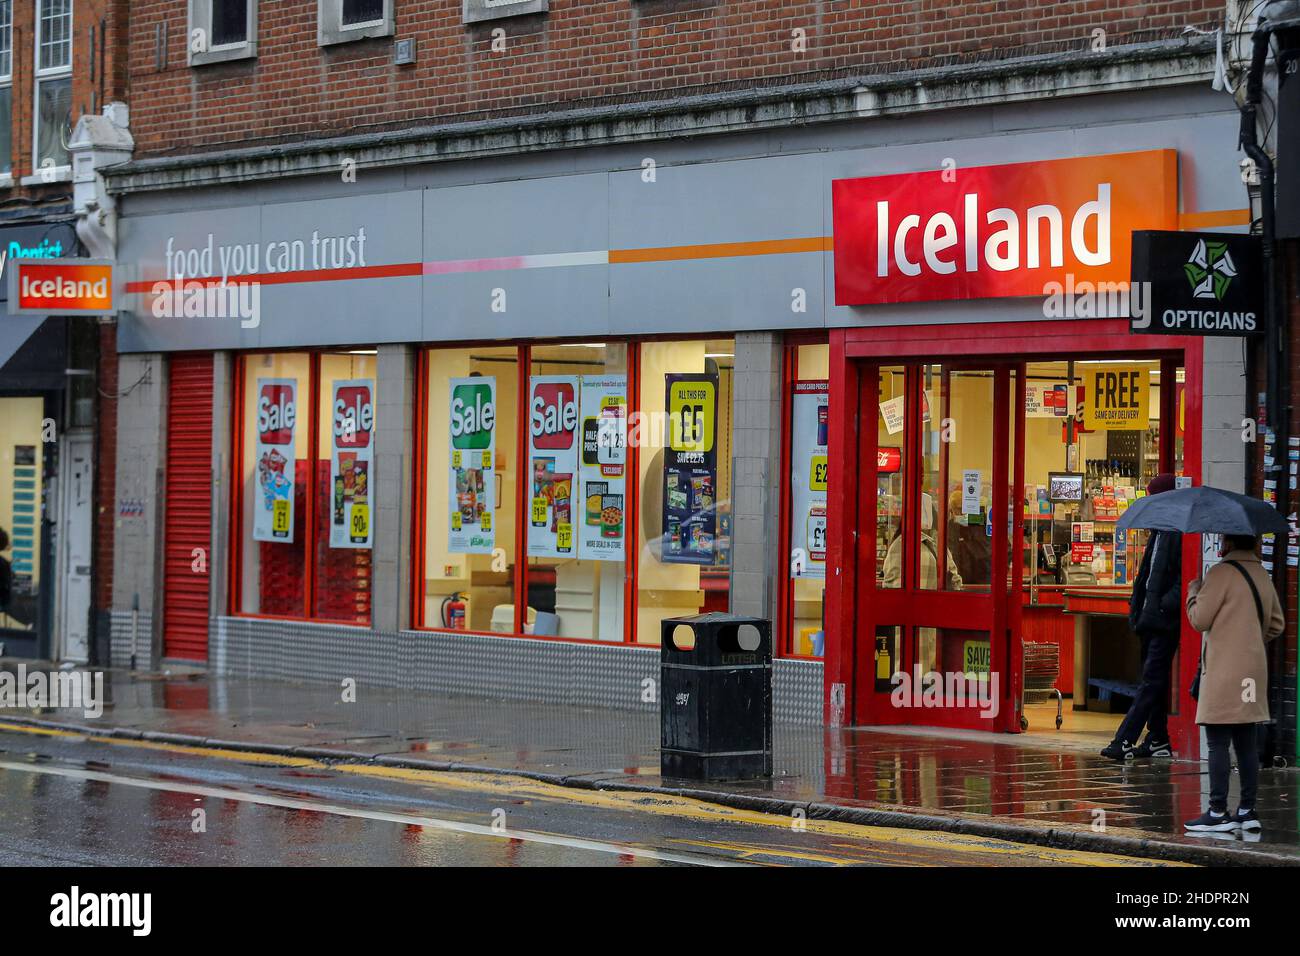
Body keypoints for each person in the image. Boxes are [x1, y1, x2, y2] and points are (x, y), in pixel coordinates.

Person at [1183, 533, 1284, 833]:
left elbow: (1199, 619)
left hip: (1224, 671)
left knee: (1216, 742)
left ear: (1227, 543)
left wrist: (1193, 592)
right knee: (1246, 743)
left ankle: (1216, 812)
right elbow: (1277, 624)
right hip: (1252, 671)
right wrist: (1249, 638)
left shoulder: (1220, 573)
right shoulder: (1261, 575)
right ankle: (1247, 810)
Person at [1101, 473, 1181, 761]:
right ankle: (1158, 738)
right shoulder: (1159, 531)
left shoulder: (1176, 533)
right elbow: (1147, 577)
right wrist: (1139, 608)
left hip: (1163, 620)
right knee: (1152, 680)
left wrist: (1161, 605)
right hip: (1150, 618)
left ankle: (1124, 740)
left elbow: (1181, 580)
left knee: (1150, 680)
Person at [883, 493, 962, 591]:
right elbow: (955, 580)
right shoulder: (938, 546)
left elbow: (891, 587)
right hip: (936, 603)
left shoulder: (899, 545)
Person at [946, 490, 991, 586]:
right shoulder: (951, 526)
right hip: (962, 580)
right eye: (957, 509)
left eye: (962, 508)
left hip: (984, 580)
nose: (960, 512)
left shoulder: (982, 522)